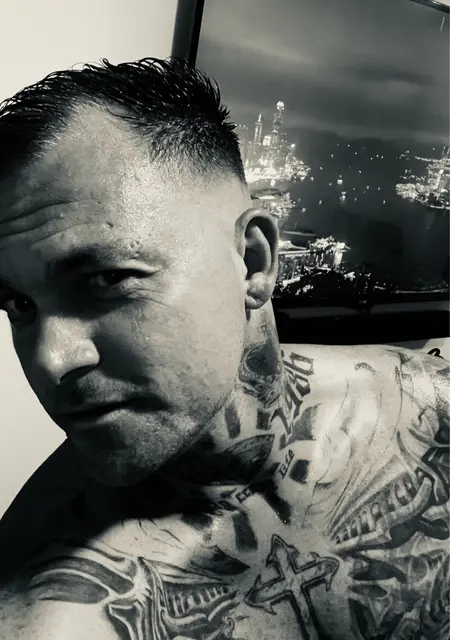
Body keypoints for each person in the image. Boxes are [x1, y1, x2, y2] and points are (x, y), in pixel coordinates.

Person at [0, 58, 448, 640]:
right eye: (18, 305)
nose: (49, 359)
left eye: (105, 279)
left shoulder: (431, 413)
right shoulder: (49, 615)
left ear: (253, 263)